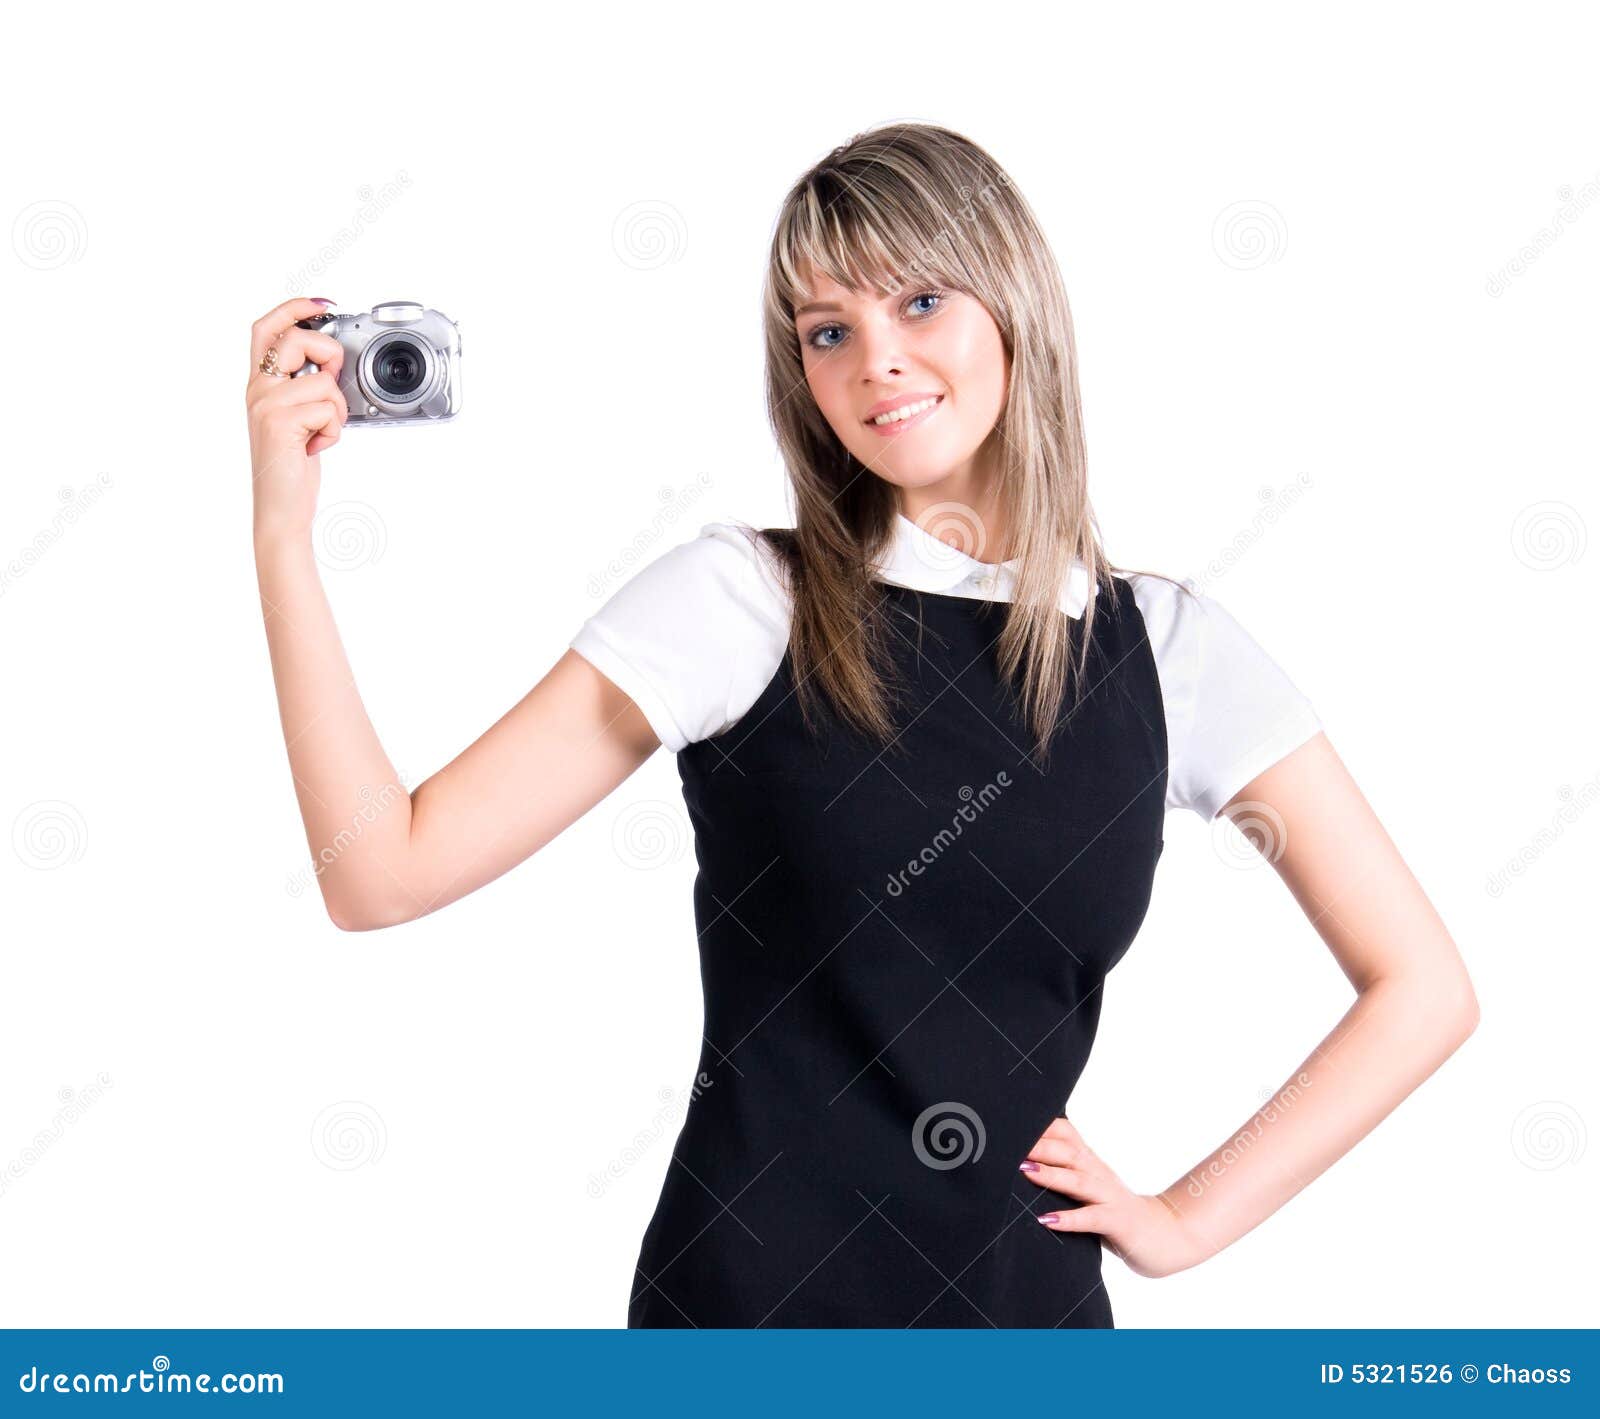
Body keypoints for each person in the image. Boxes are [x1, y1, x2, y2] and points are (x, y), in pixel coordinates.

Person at [244, 122, 1479, 1328]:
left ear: (1015, 308)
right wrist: (284, 535)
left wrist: (1185, 1221)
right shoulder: (740, 603)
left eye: (921, 303)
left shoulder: (1167, 651)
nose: (875, 360)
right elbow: (380, 873)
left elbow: (1421, 990)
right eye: (828, 332)